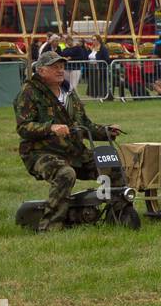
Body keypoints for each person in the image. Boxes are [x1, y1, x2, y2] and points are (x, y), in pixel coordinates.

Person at [14, 50, 121, 233]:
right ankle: (50, 227)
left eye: (62, 67)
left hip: (74, 151)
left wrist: (105, 131)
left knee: (114, 168)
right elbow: (24, 127)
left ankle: (118, 217)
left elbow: (83, 124)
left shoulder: (68, 92)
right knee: (65, 173)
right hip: (40, 152)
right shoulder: (30, 91)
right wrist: (50, 128)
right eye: (54, 67)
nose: (60, 70)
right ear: (41, 71)